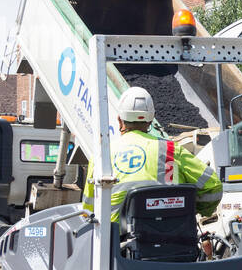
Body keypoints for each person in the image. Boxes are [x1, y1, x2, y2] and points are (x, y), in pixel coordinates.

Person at [81, 86, 222, 223]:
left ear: (119, 120)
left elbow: (89, 208)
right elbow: (213, 186)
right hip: (170, 237)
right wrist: (189, 210)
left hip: (115, 240)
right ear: (150, 120)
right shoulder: (170, 150)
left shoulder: (101, 155)